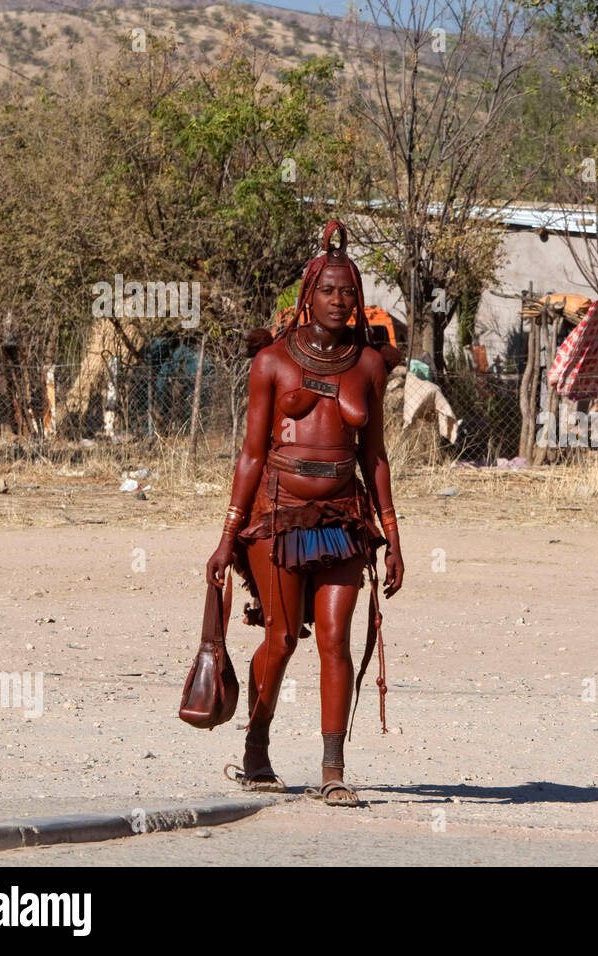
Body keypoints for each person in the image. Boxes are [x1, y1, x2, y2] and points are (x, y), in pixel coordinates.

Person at [205, 219, 405, 807]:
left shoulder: (368, 366)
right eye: (328, 291)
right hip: (277, 514)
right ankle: (257, 748)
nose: (340, 301)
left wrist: (392, 535)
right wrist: (227, 537)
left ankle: (333, 767)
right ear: (307, 295)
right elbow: (249, 454)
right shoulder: (271, 361)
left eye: (349, 291)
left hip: (344, 521)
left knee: (336, 640)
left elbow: (376, 458)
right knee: (283, 634)